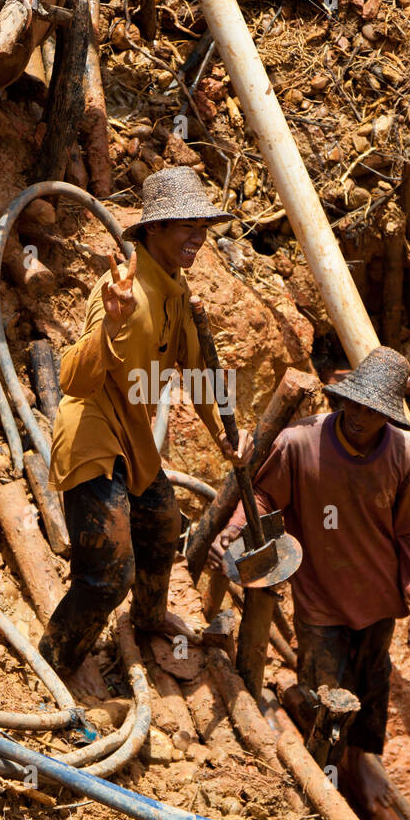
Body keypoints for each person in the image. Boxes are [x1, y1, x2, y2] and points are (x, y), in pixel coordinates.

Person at [40, 166, 245, 681]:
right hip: (91, 434)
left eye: (203, 226)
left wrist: (221, 432)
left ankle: (149, 618)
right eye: (186, 226)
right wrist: (110, 322)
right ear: (153, 229)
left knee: (162, 526)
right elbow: (72, 379)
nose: (198, 237)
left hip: (134, 441)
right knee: (108, 573)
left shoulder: (176, 292)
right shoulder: (121, 291)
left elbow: (198, 372)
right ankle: (56, 661)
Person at [209, 346, 410, 804]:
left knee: (372, 687)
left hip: (378, 601)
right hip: (320, 603)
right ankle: (323, 782)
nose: (358, 415)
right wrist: (234, 530)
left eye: (371, 410)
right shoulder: (299, 442)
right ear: (343, 397)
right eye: (353, 402)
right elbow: (264, 497)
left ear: (386, 416)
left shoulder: (407, 458)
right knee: (324, 694)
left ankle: (360, 766)